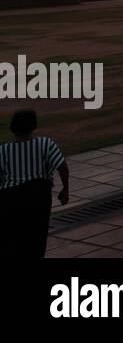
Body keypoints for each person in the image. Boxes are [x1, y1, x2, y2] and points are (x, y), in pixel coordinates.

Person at [0, 110, 69, 258]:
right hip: (39, 197)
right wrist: (65, 189)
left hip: (11, 199)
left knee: (12, 240)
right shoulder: (46, 144)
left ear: (13, 128)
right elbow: (62, 167)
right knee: (37, 238)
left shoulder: (3, 150)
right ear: (33, 126)